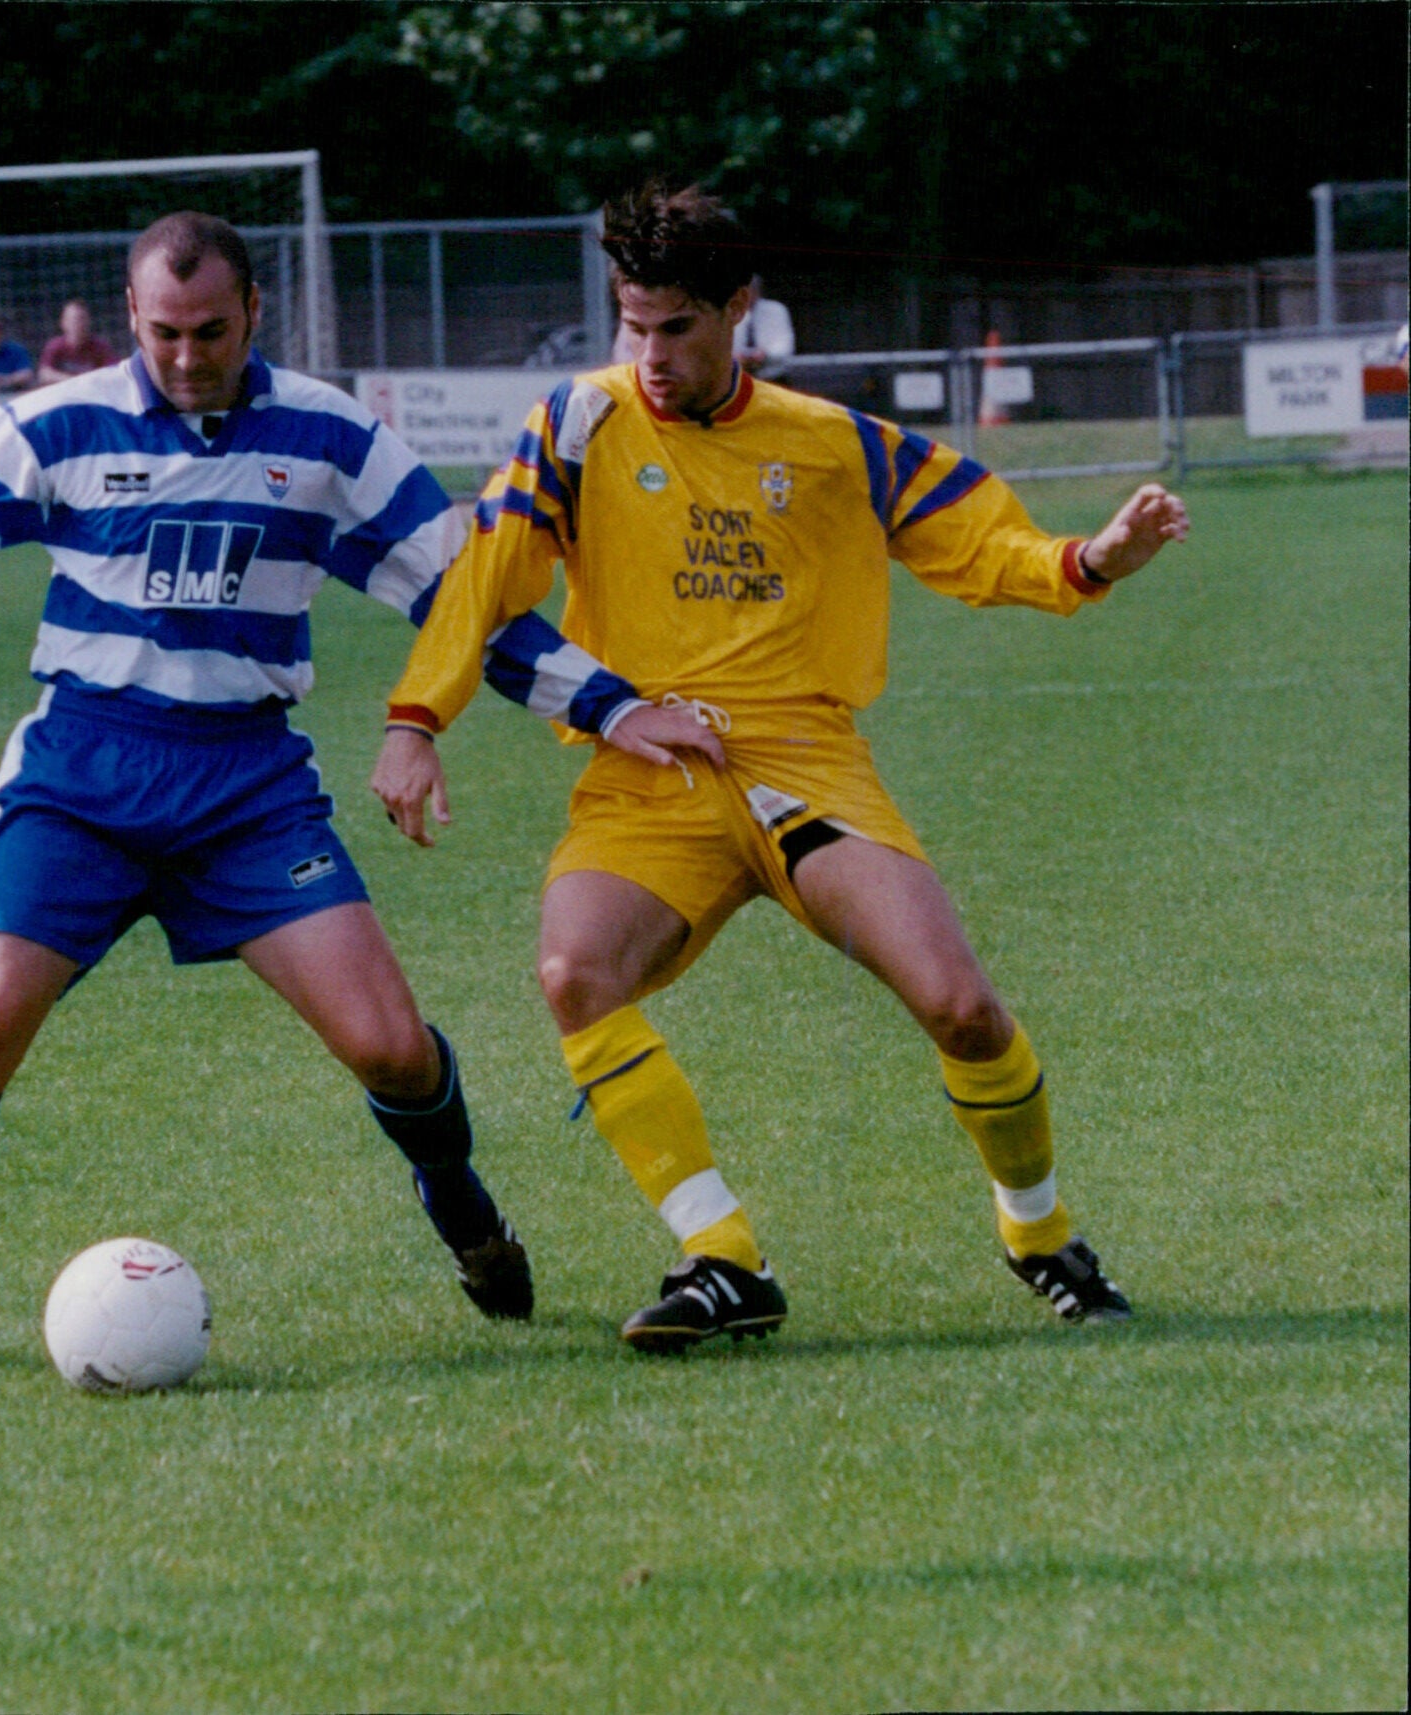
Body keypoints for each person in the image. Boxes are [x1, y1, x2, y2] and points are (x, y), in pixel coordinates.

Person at [0, 210, 715, 1378]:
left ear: (253, 311)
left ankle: (468, 1219)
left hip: (246, 786)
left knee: (391, 1048)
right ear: (130, 320)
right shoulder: (58, 423)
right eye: (163, 332)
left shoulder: (325, 438)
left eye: (210, 331)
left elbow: (463, 599)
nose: (188, 355)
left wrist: (609, 705)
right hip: (82, 778)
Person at [372, 181, 1190, 1352]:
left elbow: (976, 542)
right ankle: (721, 1256)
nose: (648, 355)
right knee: (573, 970)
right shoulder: (577, 423)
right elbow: (488, 577)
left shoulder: (829, 442)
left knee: (959, 1007)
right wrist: (416, 715)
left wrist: (1088, 559)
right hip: (646, 769)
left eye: (677, 328)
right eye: (630, 324)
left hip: (802, 761)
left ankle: (1040, 1232)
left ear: (738, 310)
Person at [614, 273, 794, 379]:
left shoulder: (772, 311)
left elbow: (784, 347)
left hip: (770, 377)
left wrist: (764, 355)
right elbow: (621, 357)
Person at [37, 298, 117, 385]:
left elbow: (114, 372)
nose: (78, 324)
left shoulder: (100, 347)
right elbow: (44, 374)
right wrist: (74, 381)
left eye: (82, 319)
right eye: (73, 320)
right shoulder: (55, 346)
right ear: (63, 323)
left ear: (88, 322)